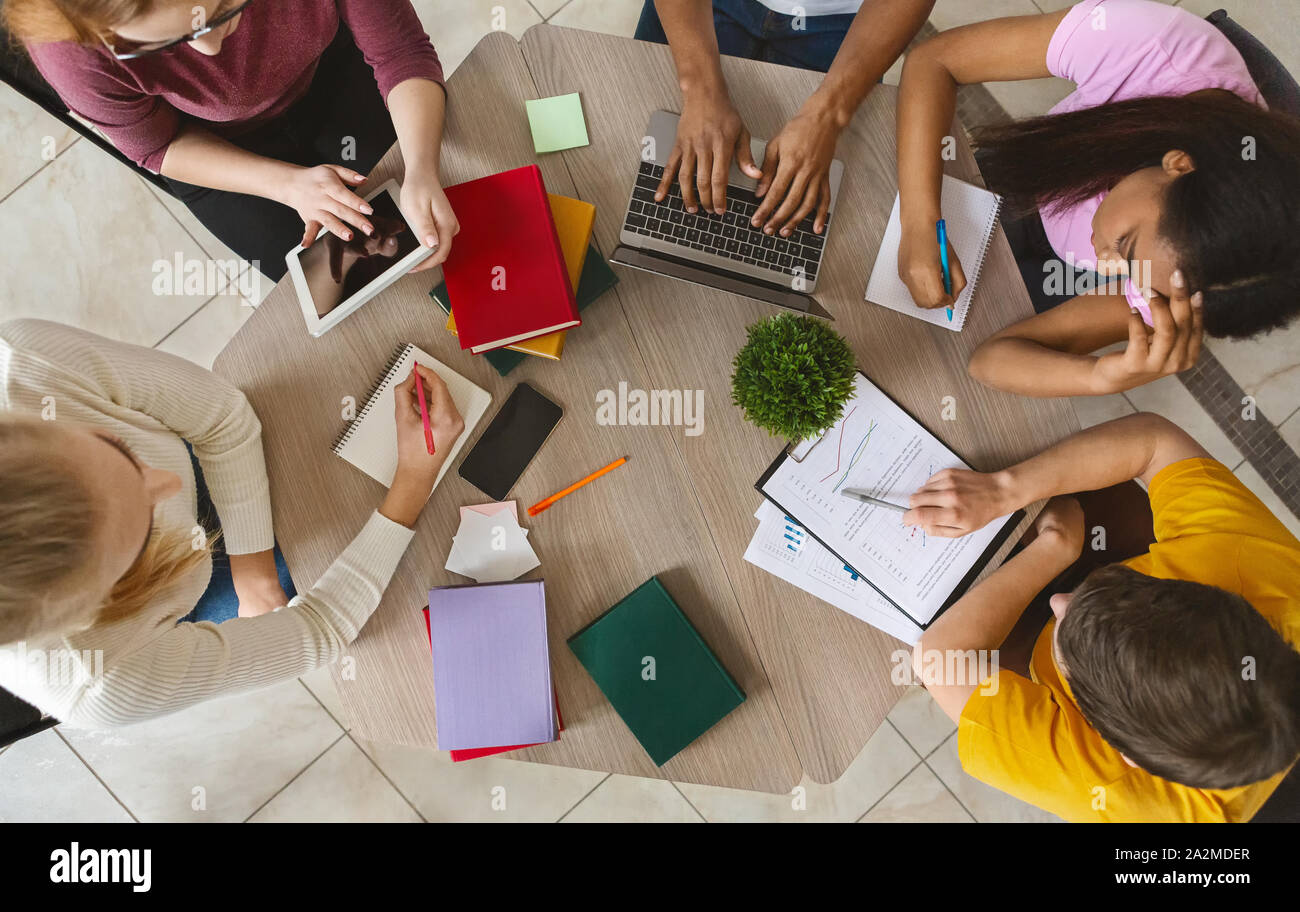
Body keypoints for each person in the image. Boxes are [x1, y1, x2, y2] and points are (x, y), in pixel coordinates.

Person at [0, 318, 464, 727]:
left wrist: (256, 574)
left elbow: (222, 419)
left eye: (118, 448)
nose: (166, 485)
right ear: (90, 607)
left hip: (211, 455)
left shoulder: (26, 363)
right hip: (183, 596)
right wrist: (414, 481)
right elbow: (319, 629)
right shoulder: (100, 684)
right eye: (143, 532)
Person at [902, 411, 1300, 822]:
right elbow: (1154, 438)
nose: (1059, 601)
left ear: (1125, 756)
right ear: (1210, 590)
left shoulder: (1114, 794)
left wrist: (1055, 548)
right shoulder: (1266, 577)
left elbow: (939, 657)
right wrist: (1004, 490)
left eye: (1067, 643)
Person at [894, 0, 1300, 398]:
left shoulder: (1195, 278)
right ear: (1179, 165)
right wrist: (919, 219)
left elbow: (987, 360)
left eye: (1135, 277)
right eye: (1125, 246)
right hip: (1025, 176)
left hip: (1053, 257)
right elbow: (935, 61)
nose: (1107, 266)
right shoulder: (1153, 46)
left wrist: (1101, 376)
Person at [5, 0, 458, 281]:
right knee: (335, 281)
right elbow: (157, 146)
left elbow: (400, 52)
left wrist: (421, 168)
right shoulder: (71, 49)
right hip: (210, 147)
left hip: (330, 71)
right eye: (163, 43)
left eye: (225, 7)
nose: (210, 50)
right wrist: (286, 184)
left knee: (436, 204)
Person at [636, 0, 933, 237]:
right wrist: (698, 86)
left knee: (802, 196)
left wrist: (829, 116)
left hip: (852, 24)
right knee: (644, 160)